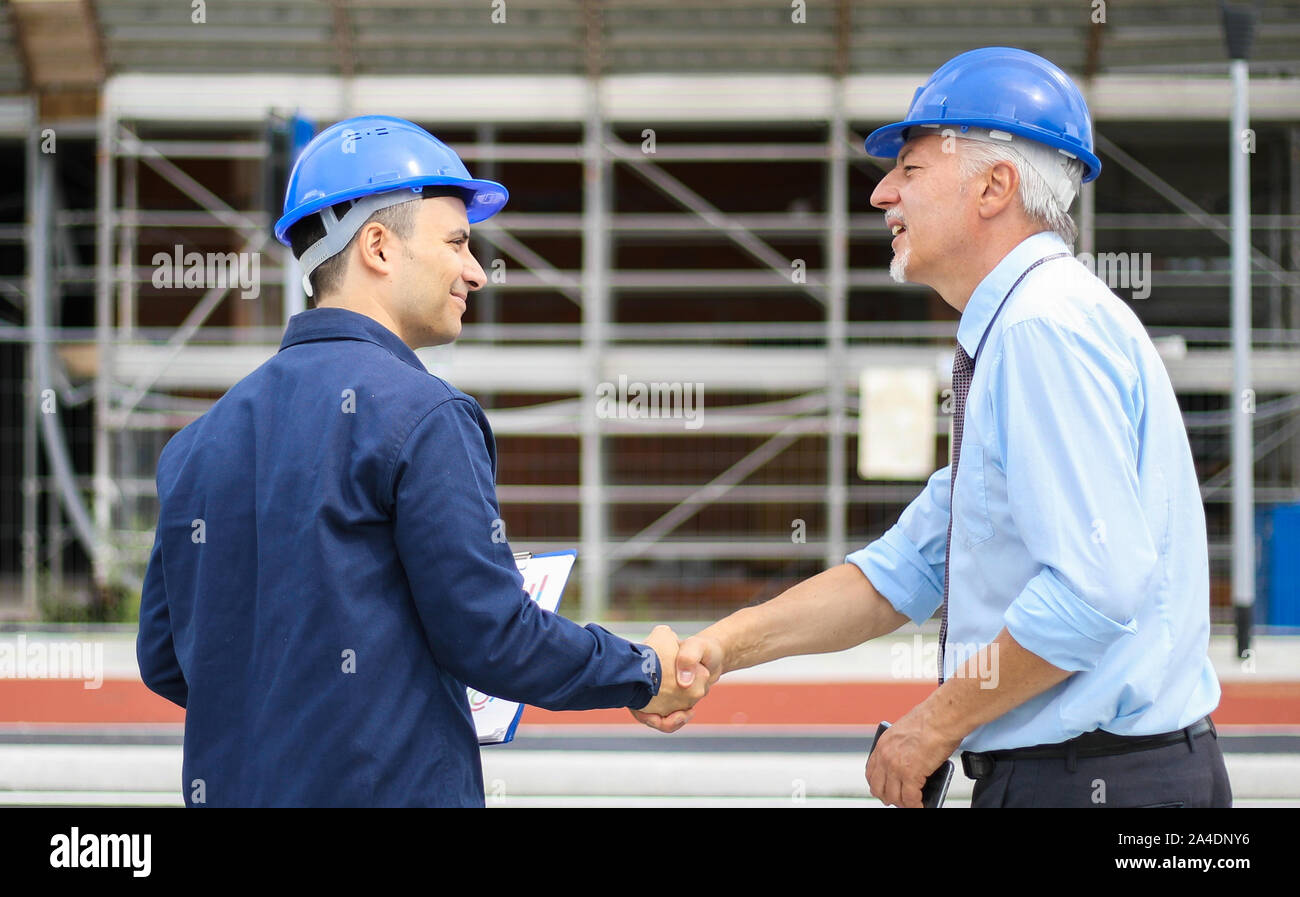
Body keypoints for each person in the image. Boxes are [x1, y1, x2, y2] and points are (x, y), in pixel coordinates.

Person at [636, 47, 1232, 809]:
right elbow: (904, 570)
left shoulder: (1038, 330)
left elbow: (1094, 590)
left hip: (1089, 781)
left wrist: (931, 727)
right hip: (1102, 776)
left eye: (910, 170)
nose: (883, 192)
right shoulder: (1033, 322)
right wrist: (718, 648)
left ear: (993, 187)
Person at [136, 114, 708, 807]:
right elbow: (493, 636)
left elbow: (167, 659)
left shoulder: (195, 443)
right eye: (459, 242)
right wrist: (641, 670)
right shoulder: (423, 414)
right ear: (378, 245)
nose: (476, 271)